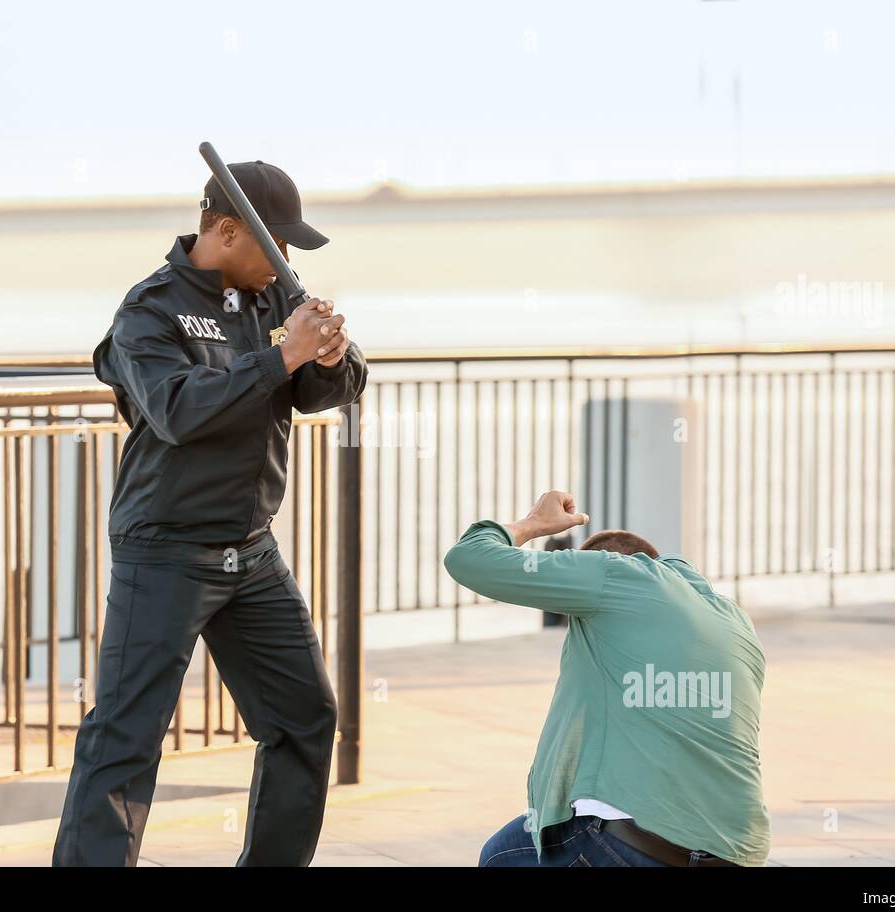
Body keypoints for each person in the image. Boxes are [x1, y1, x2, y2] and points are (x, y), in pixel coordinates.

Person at [52, 159, 368, 866]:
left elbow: (329, 392)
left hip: (251, 554)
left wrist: (326, 358)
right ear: (227, 232)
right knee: (126, 739)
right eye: (275, 244)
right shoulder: (149, 311)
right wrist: (279, 358)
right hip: (166, 550)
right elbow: (176, 411)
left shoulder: (270, 300)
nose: (286, 262)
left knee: (305, 718)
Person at [443, 490, 770, 867]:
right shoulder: (733, 619)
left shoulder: (616, 574)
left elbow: (468, 559)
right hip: (738, 852)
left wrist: (533, 524)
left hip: (636, 844)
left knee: (502, 855)